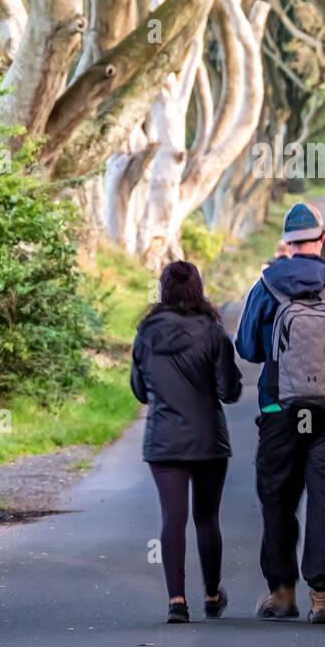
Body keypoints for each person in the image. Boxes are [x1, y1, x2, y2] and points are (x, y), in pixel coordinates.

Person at [236, 202, 325, 624]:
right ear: (322, 236)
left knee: (278, 498)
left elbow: (246, 348)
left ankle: (281, 593)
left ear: (286, 242)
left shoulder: (264, 286)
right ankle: (321, 597)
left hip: (279, 407)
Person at [131, 261, 242, 624]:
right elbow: (228, 390)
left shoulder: (146, 332)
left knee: (172, 519)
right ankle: (212, 594)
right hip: (208, 439)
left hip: (164, 440)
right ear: (197, 288)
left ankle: (176, 601)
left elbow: (140, 392)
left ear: (163, 290)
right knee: (207, 518)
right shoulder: (213, 332)